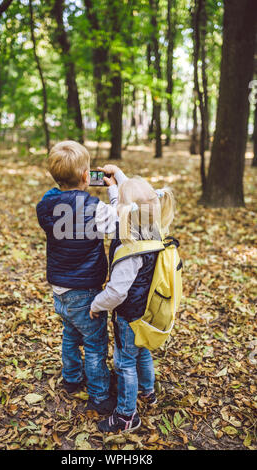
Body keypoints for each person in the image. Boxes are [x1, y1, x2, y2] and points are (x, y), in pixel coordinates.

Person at [36, 140, 125, 415]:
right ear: (88, 177)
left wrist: (65, 184)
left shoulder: (47, 205)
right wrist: (114, 189)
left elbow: (52, 196)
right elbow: (121, 220)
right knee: (96, 345)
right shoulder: (96, 208)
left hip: (59, 290)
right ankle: (99, 396)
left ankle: (72, 379)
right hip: (86, 291)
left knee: (70, 334)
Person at [90, 176, 175, 432]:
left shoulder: (129, 250)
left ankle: (127, 415)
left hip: (129, 315)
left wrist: (97, 304)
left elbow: (116, 292)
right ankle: (148, 391)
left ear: (124, 213)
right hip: (148, 308)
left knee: (125, 362)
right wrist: (115, 183)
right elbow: (131, 203)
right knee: (143, 350)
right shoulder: (155, 229)